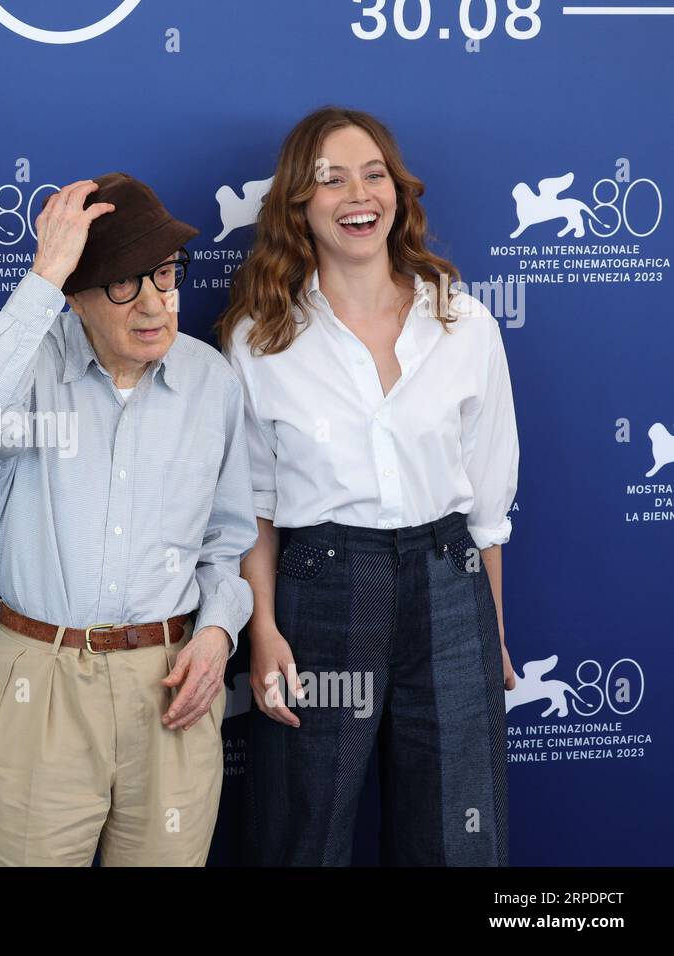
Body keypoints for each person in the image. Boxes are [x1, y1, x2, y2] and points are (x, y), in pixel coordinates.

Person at [219, 107, 519, 866]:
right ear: (299, 205)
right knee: (304, 832)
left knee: (459, 834)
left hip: (451, 592)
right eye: (331, 178)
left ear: (398, 192)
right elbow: (252, 507)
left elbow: (486, 508)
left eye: (374, 173)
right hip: (321, 594)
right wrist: (263, 633)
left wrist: (492, 632)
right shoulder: (260, 337)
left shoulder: (465, 322)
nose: (359, 193)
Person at [0, 173, 257, 866]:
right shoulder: (30, 367)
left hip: (172, 686)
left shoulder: (212, 383)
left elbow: (227, 542)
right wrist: (44, 273)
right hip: (38, 685)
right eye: (122, 284)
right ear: (74, 299)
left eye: (165, 277)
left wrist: (216, 636)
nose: (152, 305)